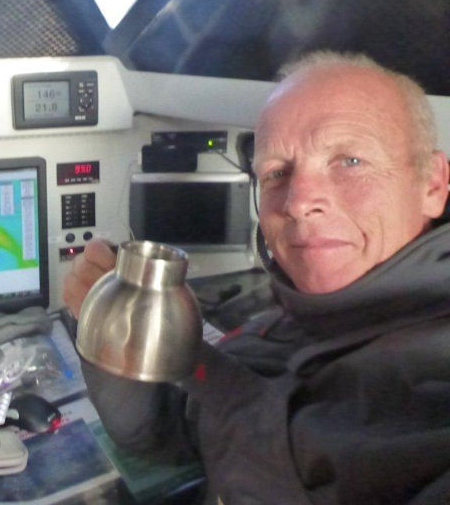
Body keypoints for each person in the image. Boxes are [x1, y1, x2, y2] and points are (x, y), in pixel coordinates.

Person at [63, 51, 450, 504]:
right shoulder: (283, 322)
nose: (298, 201)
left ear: (433, 185)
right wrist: (113, 334)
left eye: (350, 161)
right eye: (277, 172)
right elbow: (169, 434)